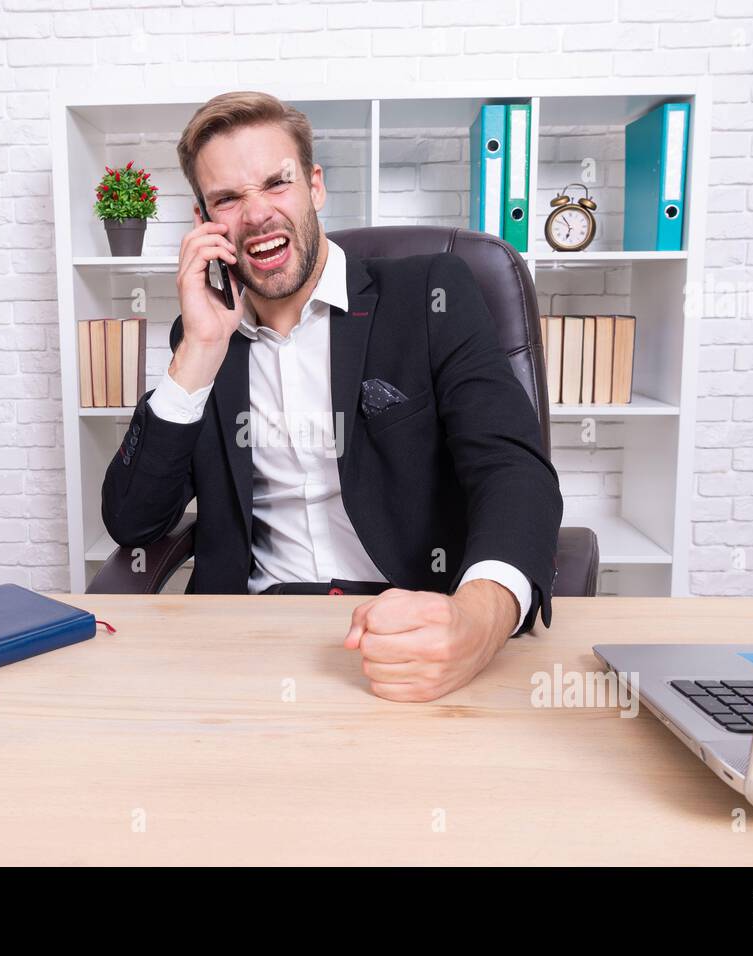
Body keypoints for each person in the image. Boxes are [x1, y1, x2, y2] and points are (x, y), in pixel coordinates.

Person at [102, 91, 562, 702]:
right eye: (229, 199)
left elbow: (513, 470)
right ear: (205, 221)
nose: (258, 214)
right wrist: (196, 359)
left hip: (406, 625)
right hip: (247, 640)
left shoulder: (430, 295)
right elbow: (133, 521)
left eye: (276, 183)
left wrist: (479, 618)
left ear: (314, 186)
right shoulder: (203, 335)